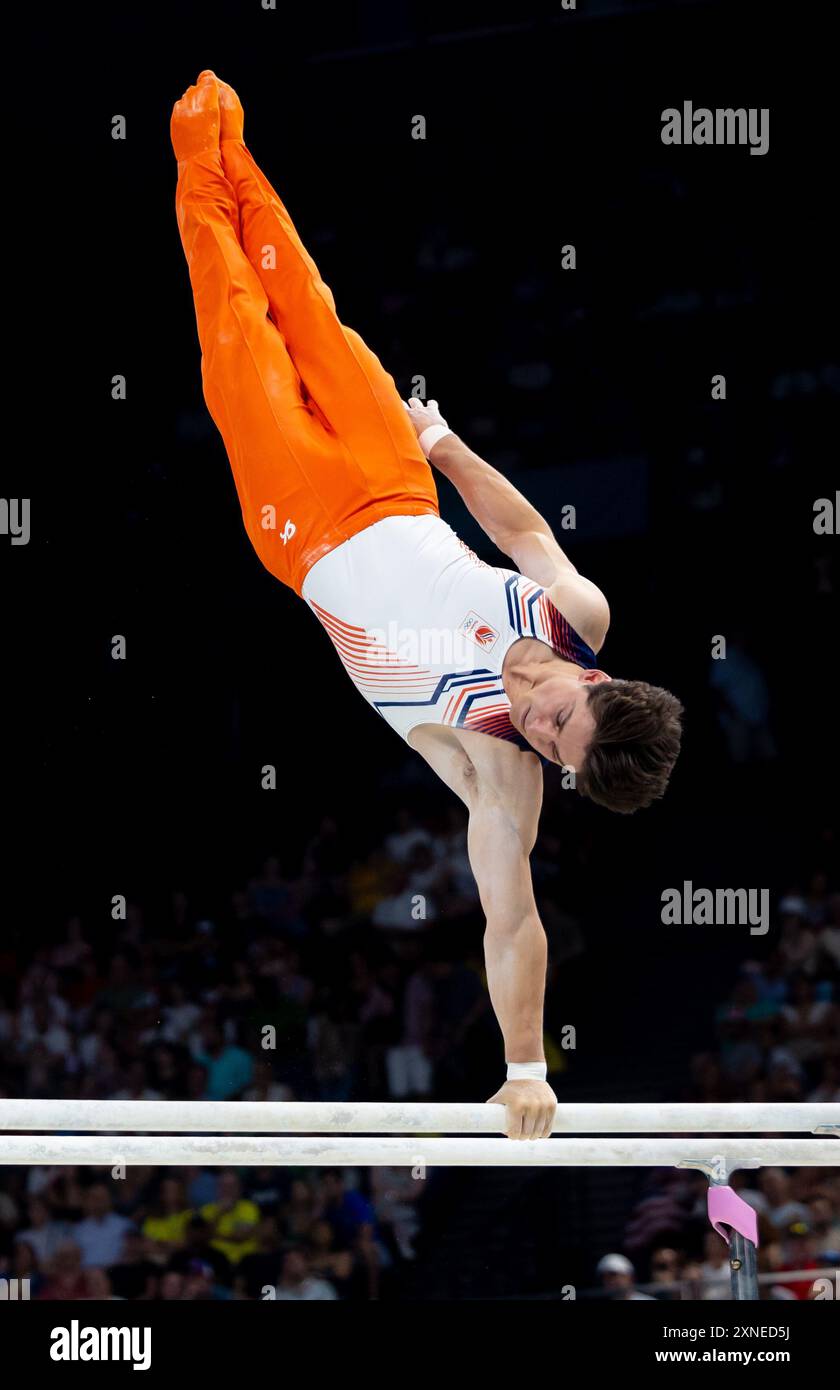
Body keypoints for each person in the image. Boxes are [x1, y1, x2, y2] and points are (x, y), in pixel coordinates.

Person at [171, 72, 684, 1140]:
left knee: (239, 330)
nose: (541, 730)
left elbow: (513, 922)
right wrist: (445, 446)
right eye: (562, 720)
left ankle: (191, 159)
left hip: (301, 533)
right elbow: (523, 531)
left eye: (556, 752)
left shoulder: (503, 777)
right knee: (307, 301)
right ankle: (233, 146)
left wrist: (529, 1065)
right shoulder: (574, 613)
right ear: (597, 677)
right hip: (394, 477)